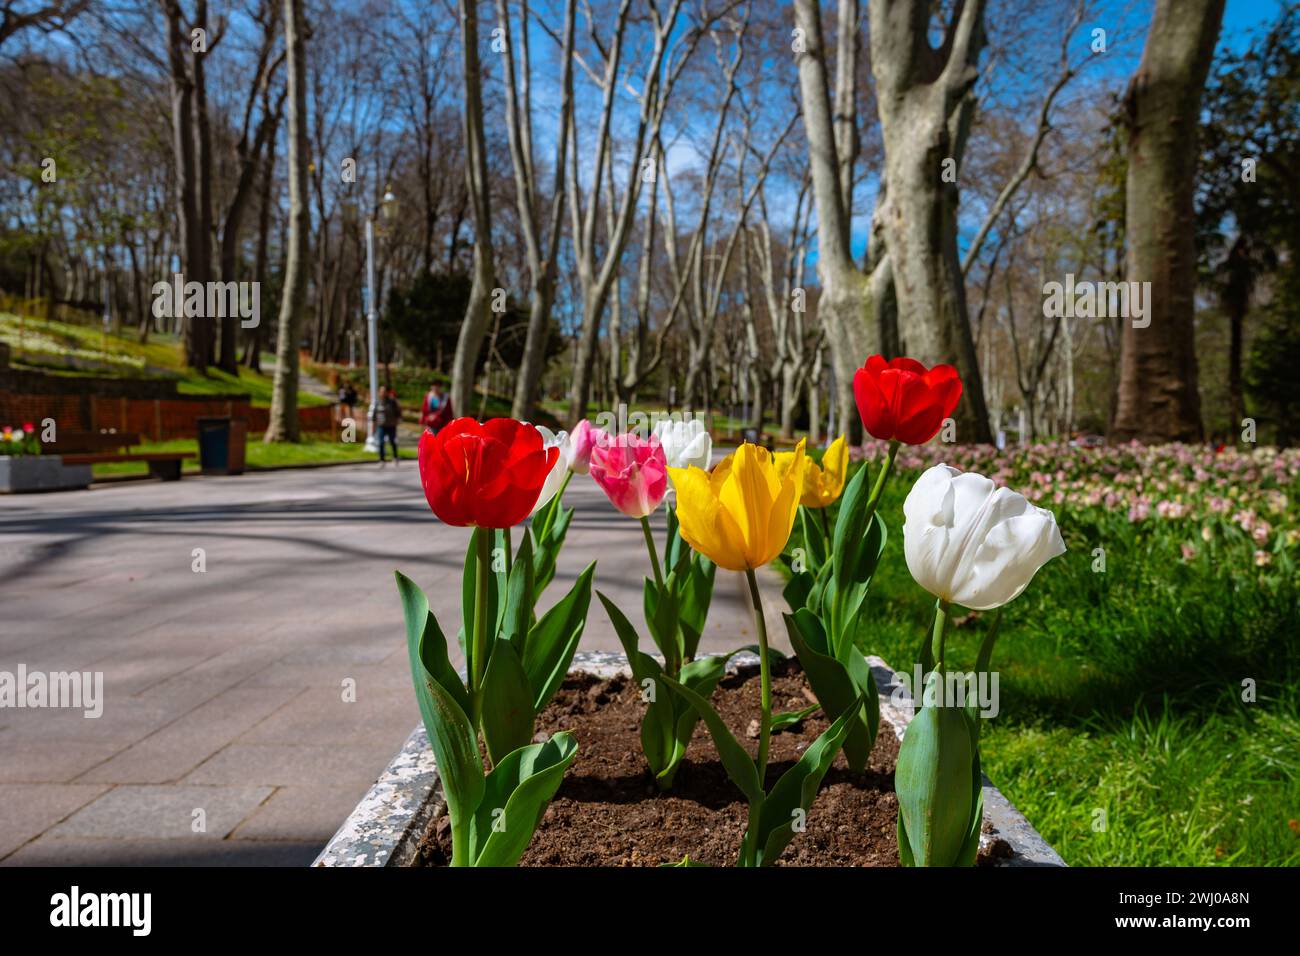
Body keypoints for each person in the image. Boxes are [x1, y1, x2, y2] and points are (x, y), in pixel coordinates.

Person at [374, 386, 401, 465]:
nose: (383, 393)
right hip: (381, 425)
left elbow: (397, 412)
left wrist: (397, 420)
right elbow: (374, 415)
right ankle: (382, 459)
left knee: (392, 441)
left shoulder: (392, 402)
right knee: (381, 442)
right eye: (381, 391)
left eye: (384, 391)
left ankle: (395, 457)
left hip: (391, 425)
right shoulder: (377, 403)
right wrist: (374, 426)